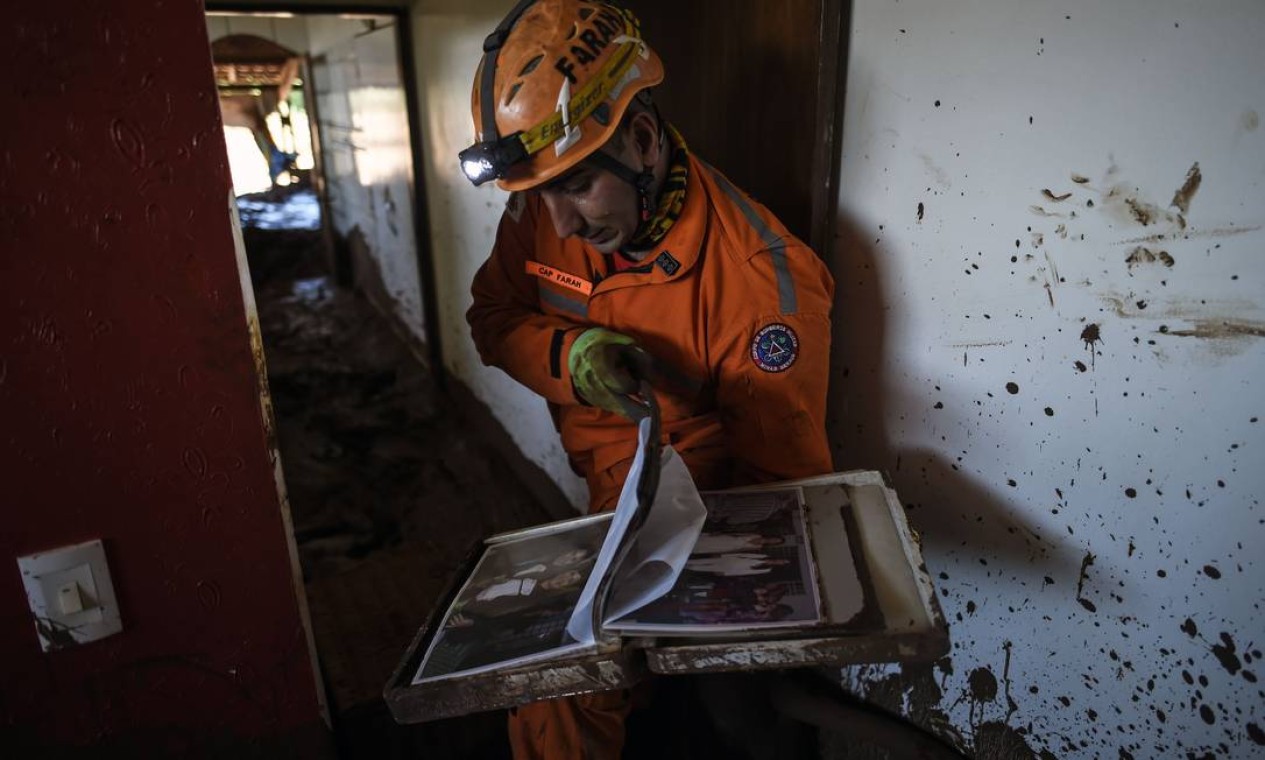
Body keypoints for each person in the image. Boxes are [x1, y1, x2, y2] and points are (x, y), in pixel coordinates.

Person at [459, 1, 834, 756]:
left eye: (574, 188)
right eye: (537, 196)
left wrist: (707, 600)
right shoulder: (543, 206)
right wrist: (569, 356)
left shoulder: (760, 280)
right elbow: (493, 316)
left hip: (701, 516)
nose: (557, 224)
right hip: (604, 490)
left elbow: (781, 491)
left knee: (587, 696)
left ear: (640, 138)